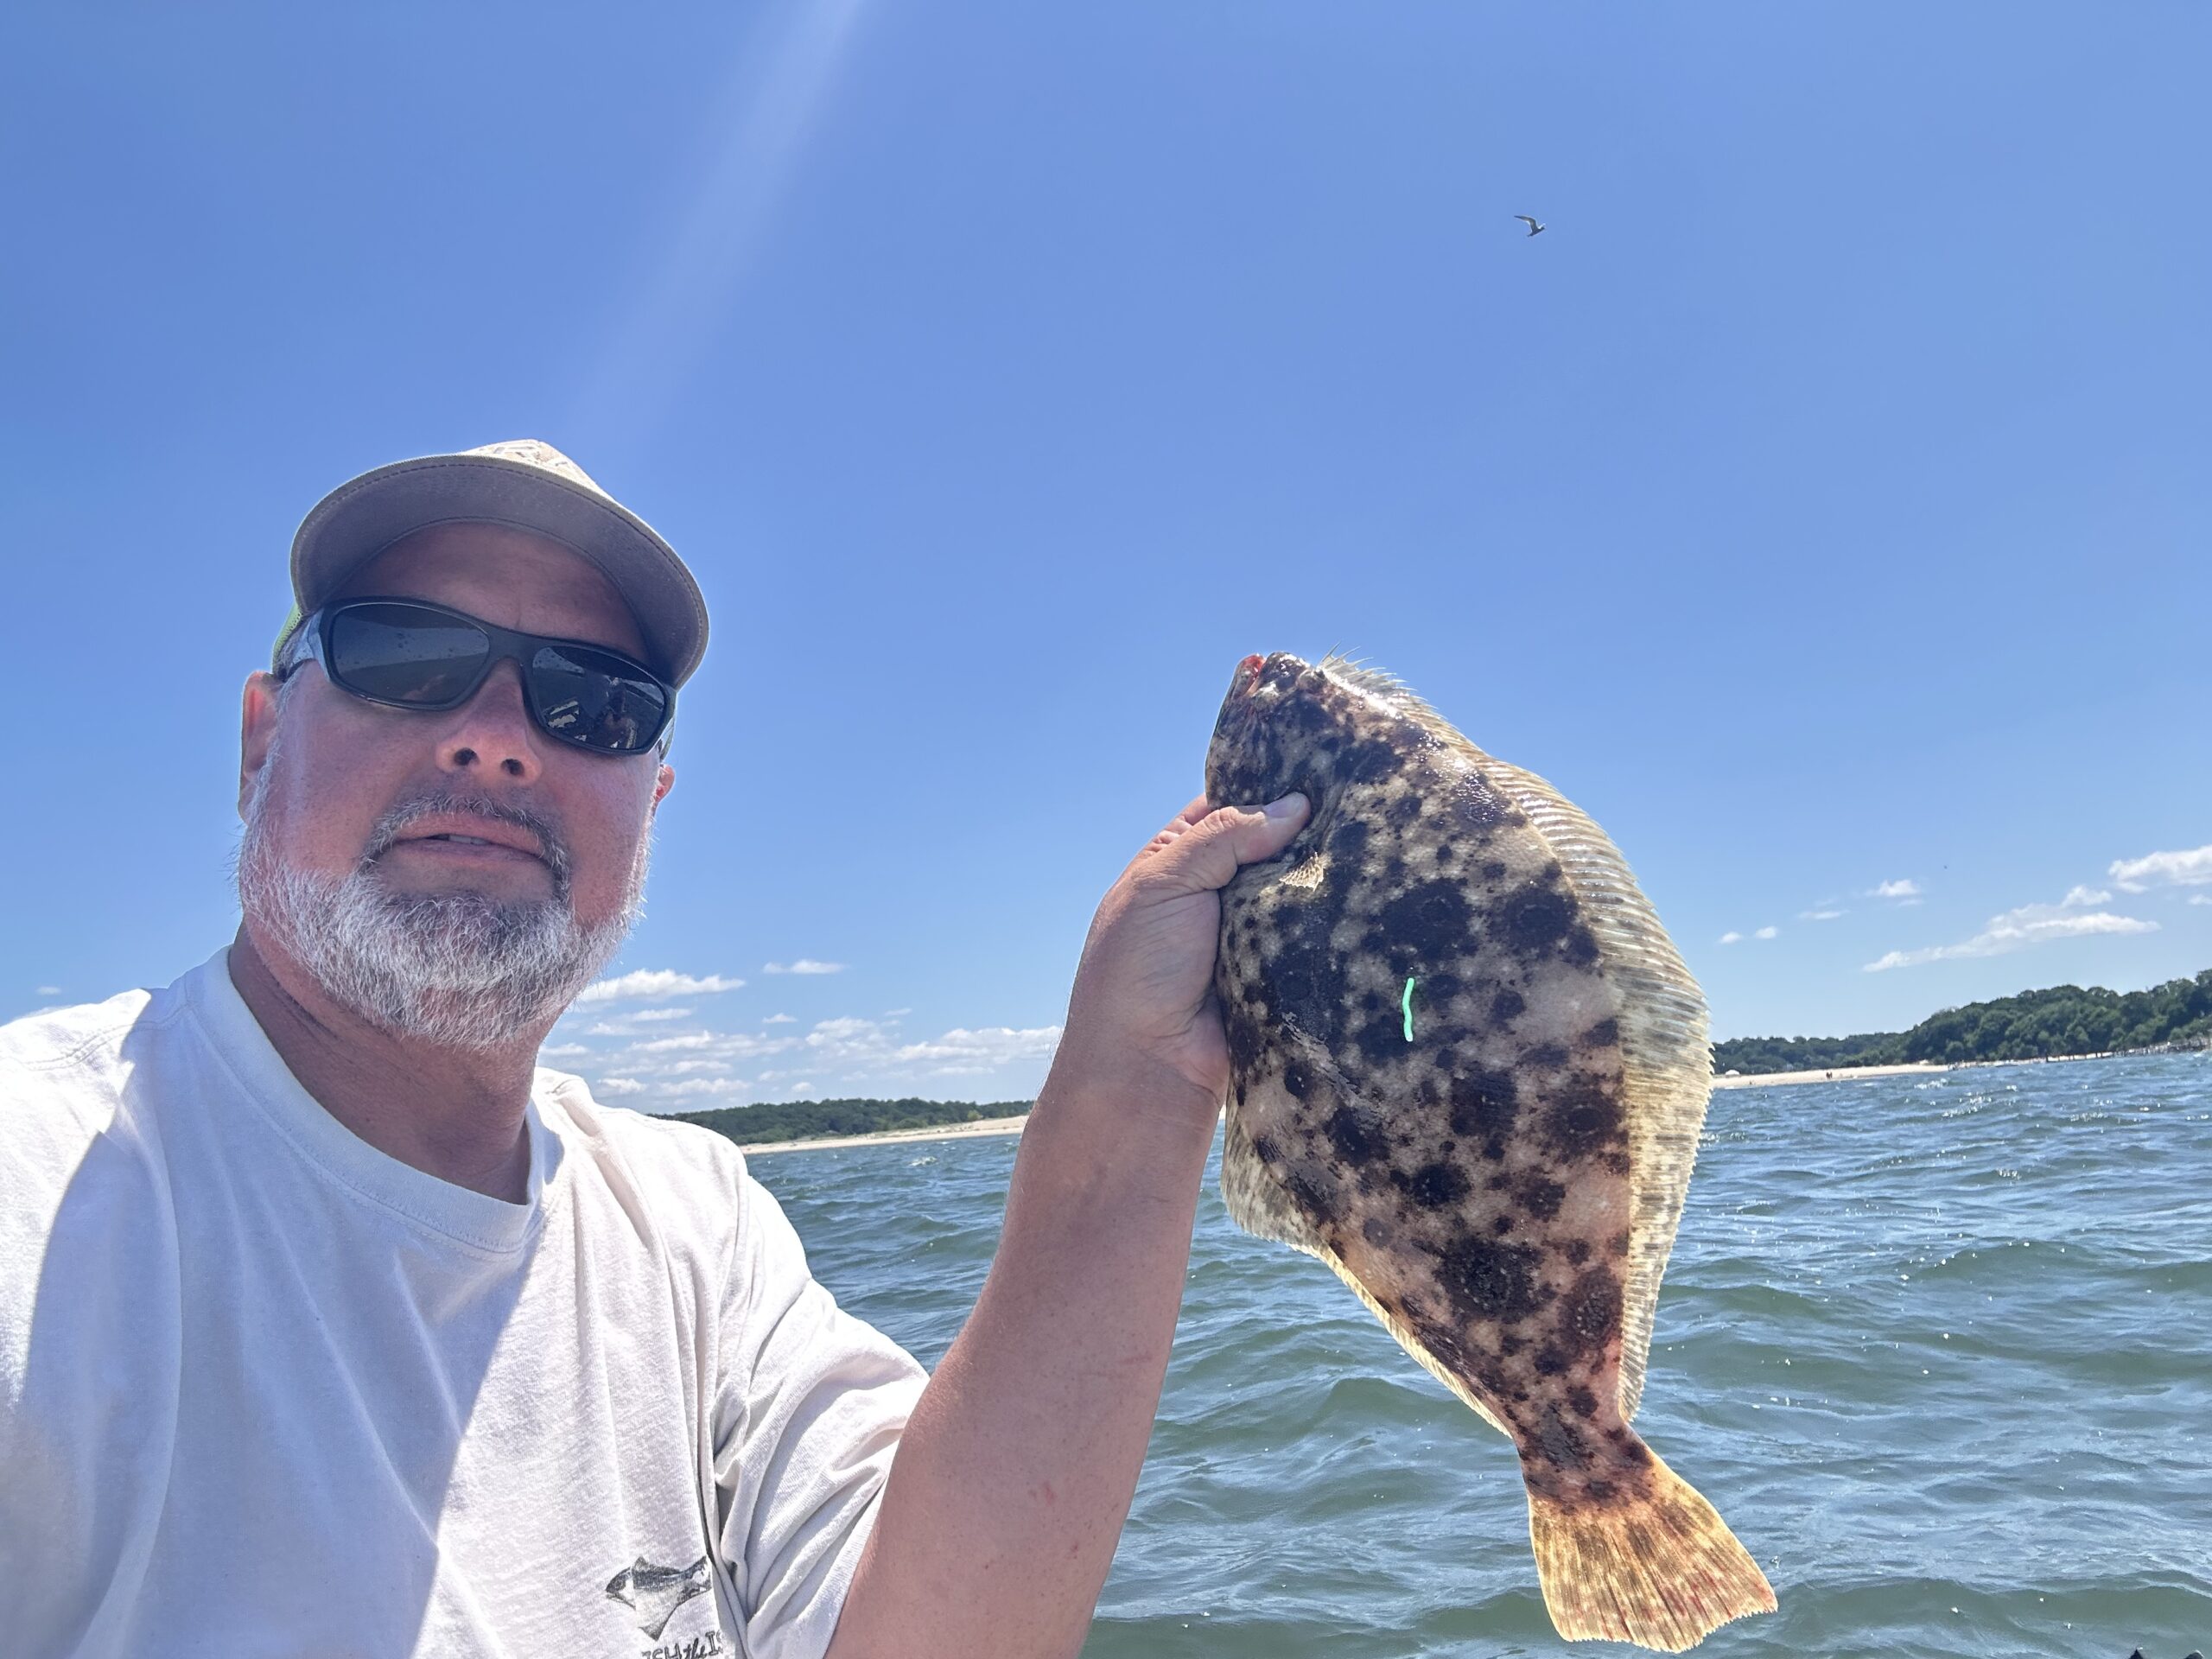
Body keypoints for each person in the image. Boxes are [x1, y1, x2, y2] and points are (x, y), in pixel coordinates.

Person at [0, 440, 1308, 1659]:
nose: (497, 736)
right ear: (261, 741)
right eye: (403, 654)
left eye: (595, 702)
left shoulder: (695, 1222)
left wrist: (1139, 1084)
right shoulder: (35, 1183)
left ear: (653, 802)